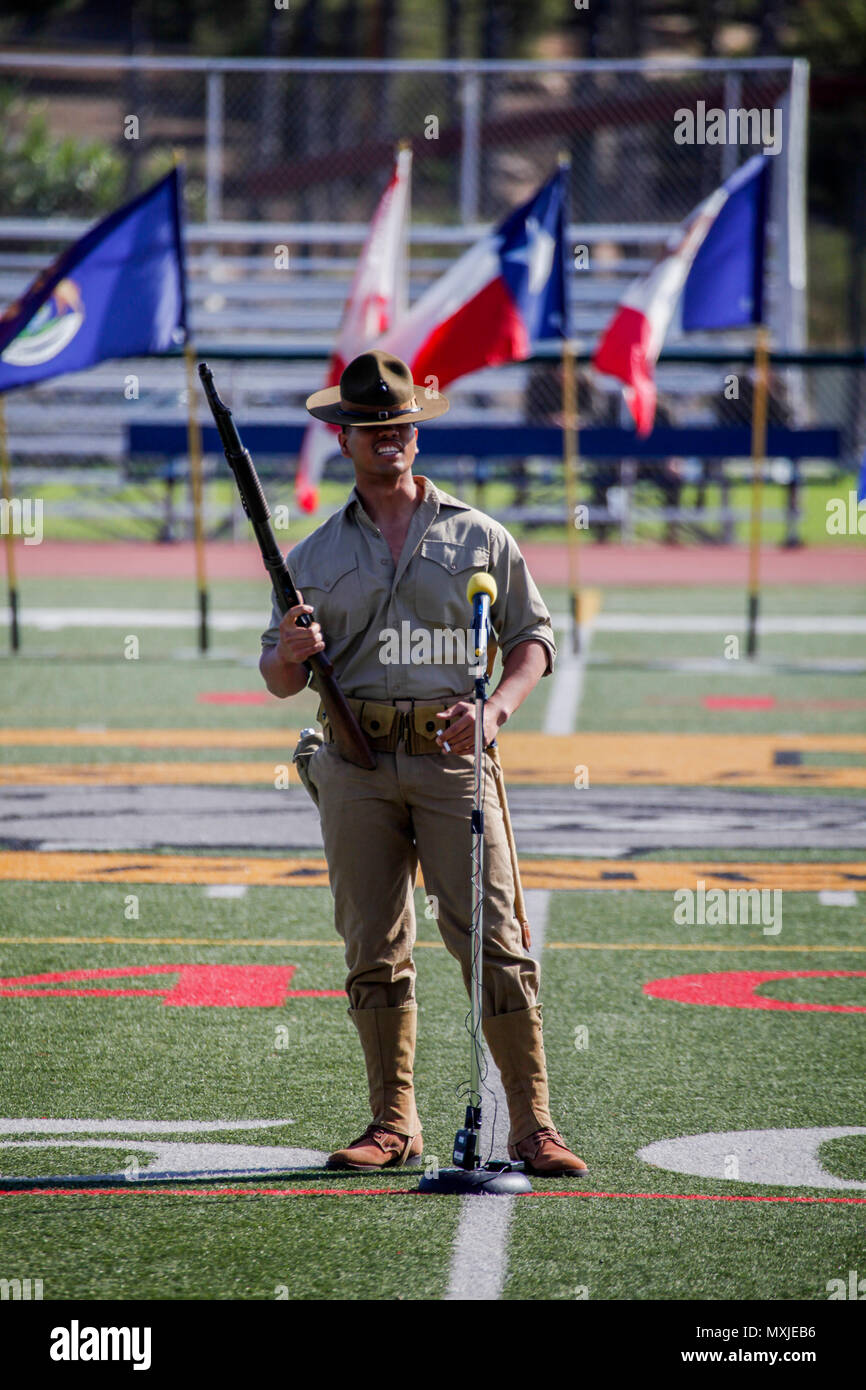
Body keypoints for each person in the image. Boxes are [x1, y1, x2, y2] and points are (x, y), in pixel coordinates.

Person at [259, 349, 587, 1177]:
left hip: (452, 764)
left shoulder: (480, 536)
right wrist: (291, 653)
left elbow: (535, 639)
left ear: (417, 430)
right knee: (372, 946)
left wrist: (496, 711)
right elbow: (276, 678)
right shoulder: (313, 554)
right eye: (372, 427)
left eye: (400, 424)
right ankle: (391, 1123)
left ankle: (533, 1126)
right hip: (353, 764)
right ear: (344, 439)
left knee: (496, 942)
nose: (389, 438)